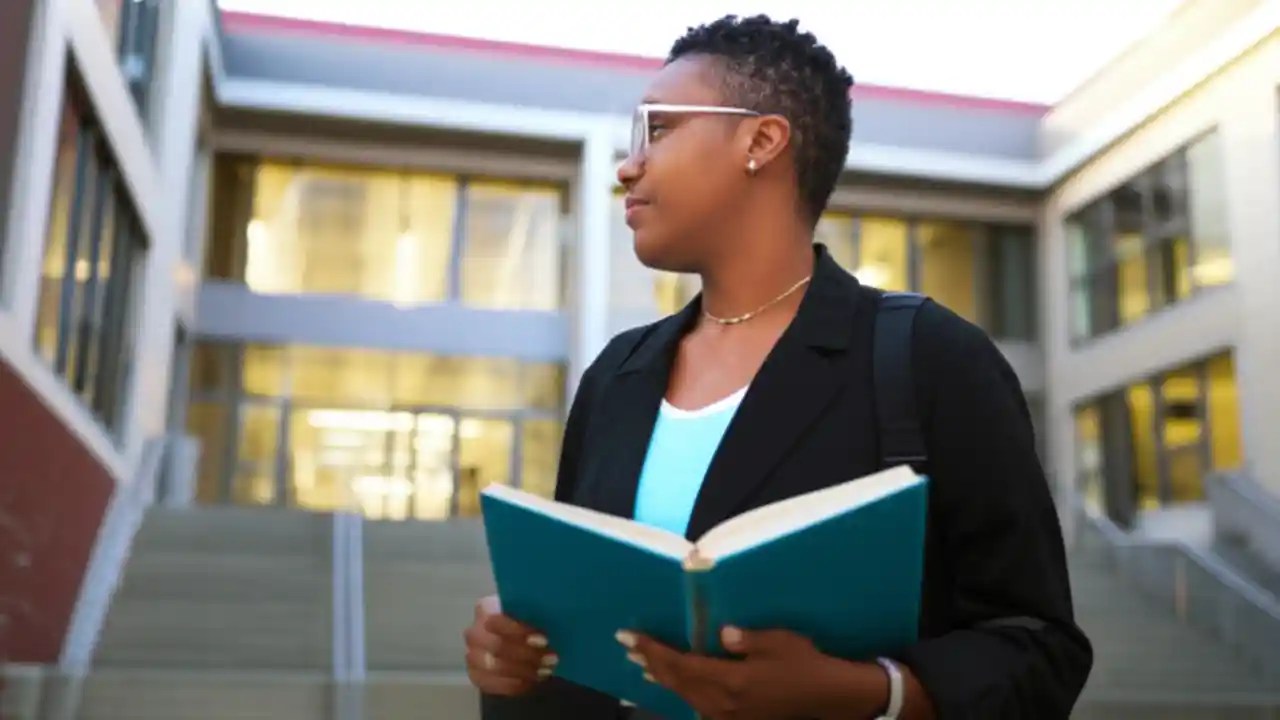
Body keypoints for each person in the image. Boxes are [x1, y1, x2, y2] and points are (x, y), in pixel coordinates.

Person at [464, 13, 1092, 719]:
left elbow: (1039, 649)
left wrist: (865, 692)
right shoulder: (618, 375)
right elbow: (582, 631)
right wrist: (516, 655)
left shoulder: (930, 357)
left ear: (761, 140)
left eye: (659, 129)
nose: (627, 165)